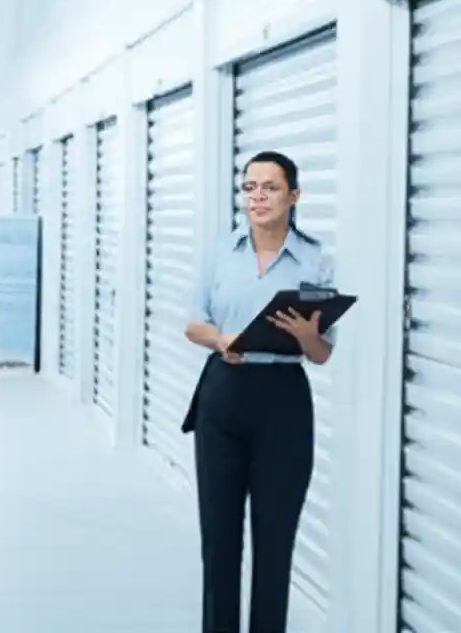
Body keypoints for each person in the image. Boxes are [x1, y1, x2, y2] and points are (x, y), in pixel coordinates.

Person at [180, 150, 336, 633]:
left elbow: (322, 352)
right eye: (250, 187)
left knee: (275, 541)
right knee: (220, 539)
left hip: (284, 401)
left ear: (294, 196)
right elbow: (192, 324)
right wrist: (221, 338)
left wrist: (307, 333)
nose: (258, 197)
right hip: (223, 396)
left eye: (270, 187)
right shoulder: (220, 252)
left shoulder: (315, 259)